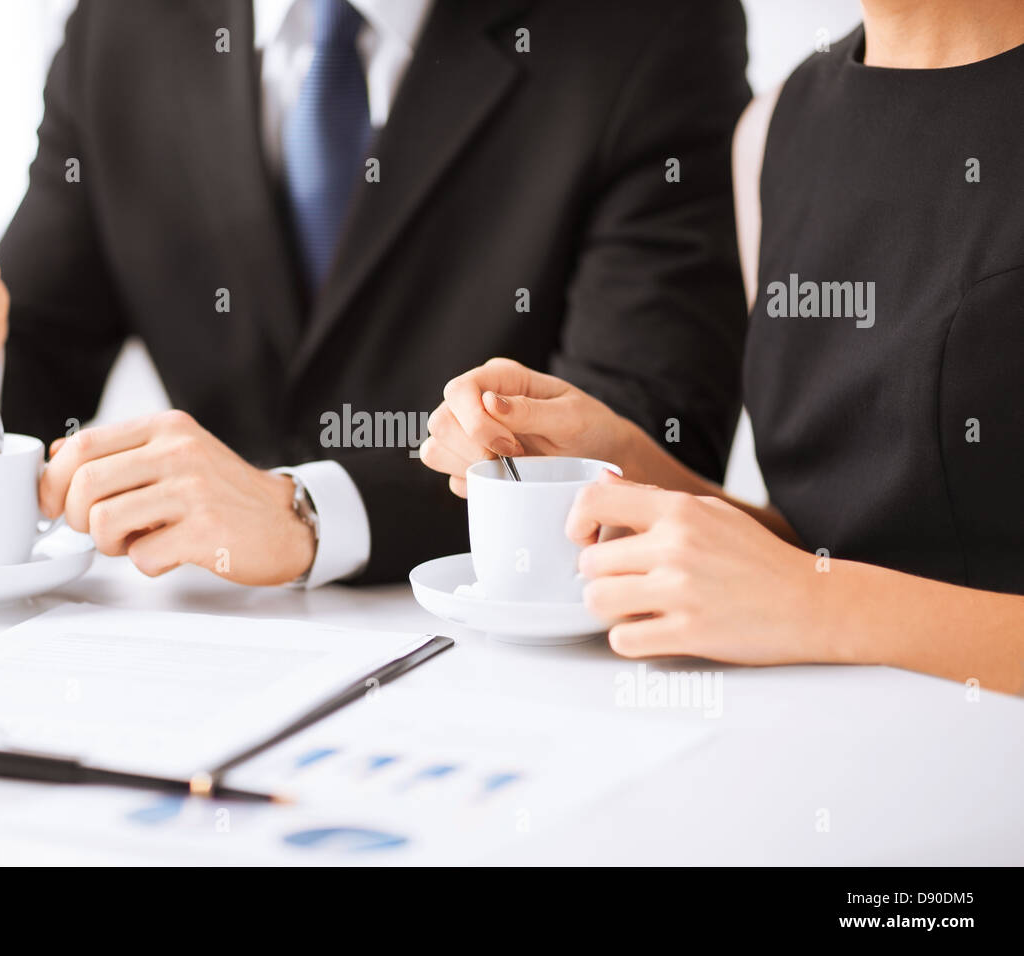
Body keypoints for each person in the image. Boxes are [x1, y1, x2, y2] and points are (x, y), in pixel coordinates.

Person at [0, 0, 750, 587]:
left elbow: (645, 428)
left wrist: (304, 513)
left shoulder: (650, 26)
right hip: (203, 660)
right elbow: (26, 391)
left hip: (505, 662)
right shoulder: (123, 27)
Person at [420, 0, 1024, 692]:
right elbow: (832, 545)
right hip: (828, 746)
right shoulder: (773, 131)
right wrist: (616, 460)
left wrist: (820, 605)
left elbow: (816, 590)